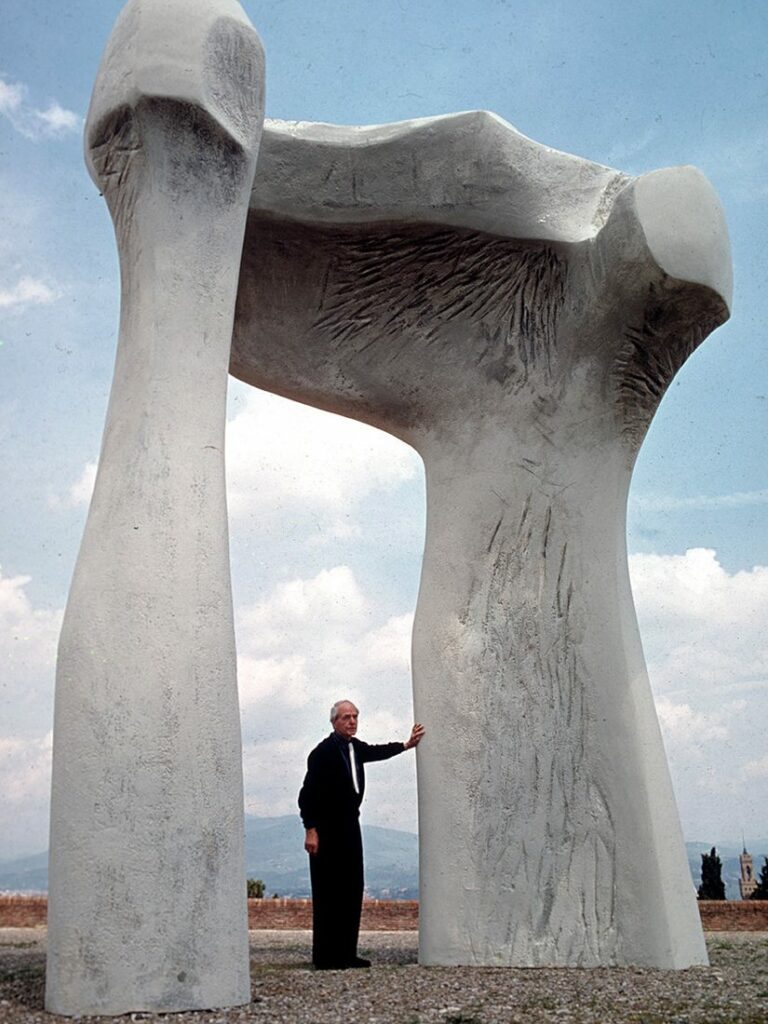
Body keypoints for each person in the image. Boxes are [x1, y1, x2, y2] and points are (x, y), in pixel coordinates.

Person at [298, 700, 425, 969]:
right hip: (326, 829)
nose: (352, 721)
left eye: (355, 716)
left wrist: (406, 745)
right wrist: (311, 829)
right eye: (346, 717)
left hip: (350, 827)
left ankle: (347, 953)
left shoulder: (355, 748)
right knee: (329, 891)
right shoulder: (322, 753)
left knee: (351, 888)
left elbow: (378, 751)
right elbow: (307, 795)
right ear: (334, 721)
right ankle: (326, 957)